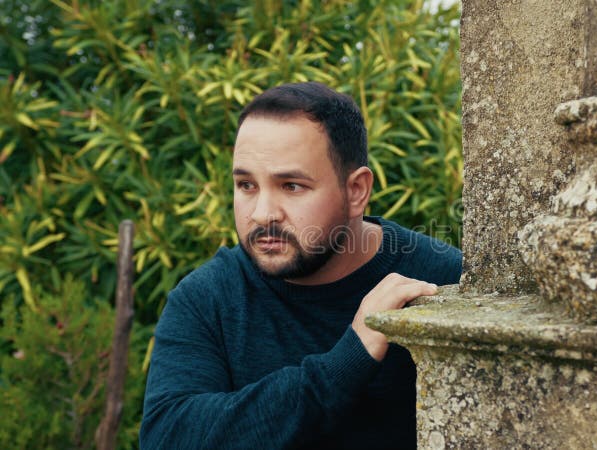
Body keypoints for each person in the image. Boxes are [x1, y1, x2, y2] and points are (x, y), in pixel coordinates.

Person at [139, 81, 462, 449]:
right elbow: (166, 438)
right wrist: (347, 363)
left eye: (291, 186)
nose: (262, 213)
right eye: (246, 185)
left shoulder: (440, 280)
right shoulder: (206, 300)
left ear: (356, 190)